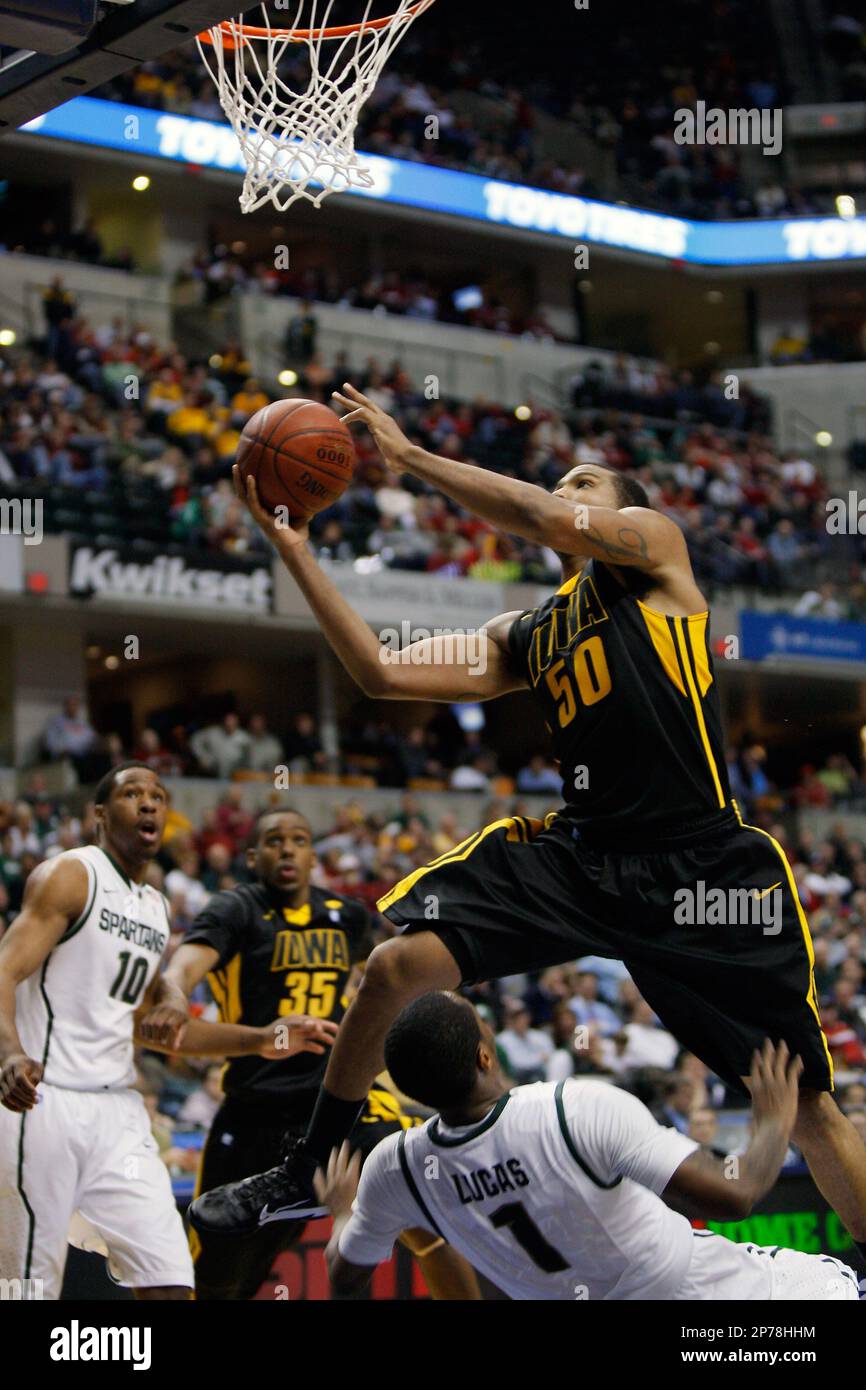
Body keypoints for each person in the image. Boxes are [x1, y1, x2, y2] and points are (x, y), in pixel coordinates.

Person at [190, 385, 866, 1271]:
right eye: (564, 481)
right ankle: (308, 1166)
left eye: (586, 482)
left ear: (621, 511)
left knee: (805, 1103)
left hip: (701, 869)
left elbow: (546, 519)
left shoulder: (656, 554)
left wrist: (412, 458)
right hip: (584, 858)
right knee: (393, 967)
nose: (567, 490)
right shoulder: (529, 633)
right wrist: (296, 551)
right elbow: (382, 673)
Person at [0, 762, 334, 1301]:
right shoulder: (72, 875)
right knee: (25, 1289)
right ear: (100, 814)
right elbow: (5, 970)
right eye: (132, 793)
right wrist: (10, 1053)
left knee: (171, 1281)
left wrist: (263, 1038)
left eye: (157, 795)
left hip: (118, 1113)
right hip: (43, 1100)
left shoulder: (153, 908)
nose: (149, 802)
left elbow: (151, 1029)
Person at [314, 994, 860, 1301]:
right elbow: (733, 1196)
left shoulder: (396, 1166)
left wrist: (342, 1213)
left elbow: (345, 1275)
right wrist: (773, 1120)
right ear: (484, 1056)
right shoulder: (574, 1107)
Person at [157, 808, 479, 1300]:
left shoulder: (346, 916)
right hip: (256, 1107)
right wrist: (175, 994)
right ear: (252, 857)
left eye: (299, 840)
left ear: (313, 856)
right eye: (274, 841)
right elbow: (182, 967)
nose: (287, 849)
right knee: (217, 1275)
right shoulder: (235, 910)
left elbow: (384, 981)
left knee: (426, 1219)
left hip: (338, 1098)